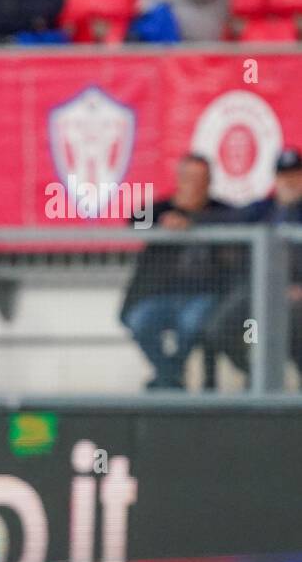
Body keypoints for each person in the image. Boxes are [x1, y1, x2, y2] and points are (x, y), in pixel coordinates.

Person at [121, 154, 235, 389]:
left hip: (205, 294)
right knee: (139, 321)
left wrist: (197, 222)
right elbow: (133, 221)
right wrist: (164, 221)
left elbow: (242, 222)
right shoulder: (161, 209)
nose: (196, 185)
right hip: (161, 294)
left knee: (193, 323)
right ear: (180, 180)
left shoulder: (220, 211)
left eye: (201, 179)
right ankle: (170, 376)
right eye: (190, 179)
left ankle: (166, 378)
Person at [202, 148, 302, 378]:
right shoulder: (263, 209)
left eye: (296, 174)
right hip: (257, 292)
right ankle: (257, 376)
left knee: (294, 327)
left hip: (296, 296)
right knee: (222, 329)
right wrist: (183, 217)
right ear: (276, 179)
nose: (290, 181)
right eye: (284, 175)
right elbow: (222, 220)